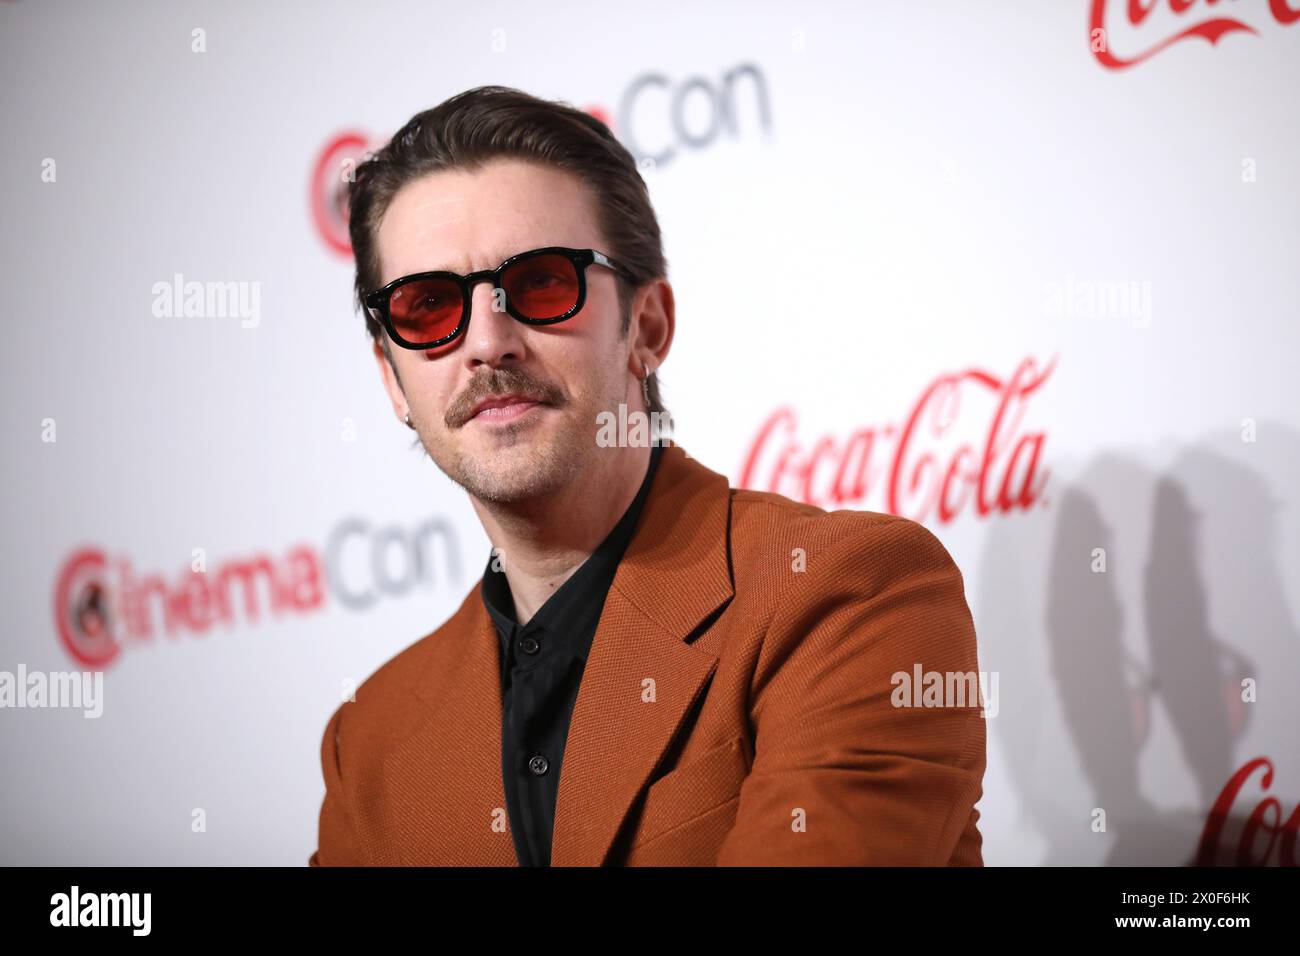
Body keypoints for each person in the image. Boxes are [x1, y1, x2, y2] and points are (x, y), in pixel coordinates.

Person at [309, 85, 985, 866]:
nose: (487, 342)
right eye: (426, 306)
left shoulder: (847, 596)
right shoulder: (369, 743)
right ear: (394, 381)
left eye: (542, 284)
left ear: (648, 327)